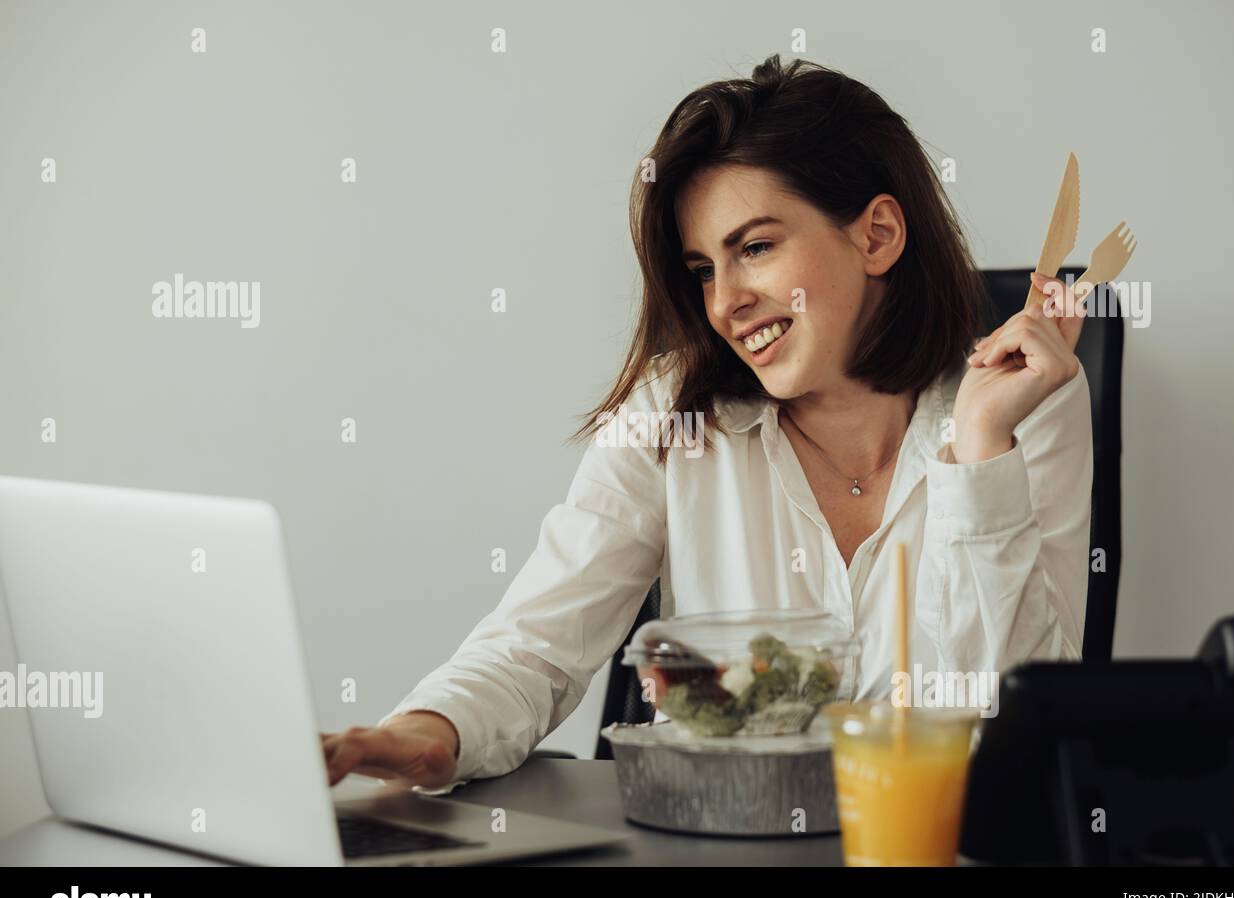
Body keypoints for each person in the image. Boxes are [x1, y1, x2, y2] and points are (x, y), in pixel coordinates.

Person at [320, 54, 1092, 791]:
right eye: (702, 271)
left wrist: (980, 456)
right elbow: (537, 645)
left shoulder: (1024, 409)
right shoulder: (670, 417)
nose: (724, 303)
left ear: (878, 235)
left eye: (754, 247)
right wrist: (428, 730)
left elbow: (1016, 733)